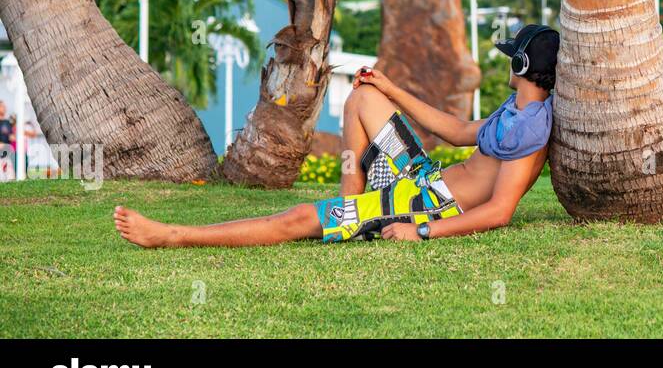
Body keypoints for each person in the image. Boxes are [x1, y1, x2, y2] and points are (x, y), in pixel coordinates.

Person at [113, 24, 560, 248]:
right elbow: (460, 131)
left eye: (510, 58)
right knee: (363, 96)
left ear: (521, 66)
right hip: (425, 180)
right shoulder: (514, 110)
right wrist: (390, 89)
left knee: (298, 218)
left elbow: (500, 212)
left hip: (429, 205)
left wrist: (421, 230)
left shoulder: (534, 130)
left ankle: (173, 235)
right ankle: (351, 201)